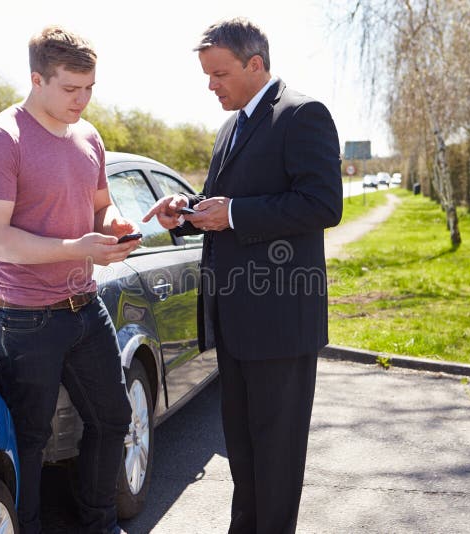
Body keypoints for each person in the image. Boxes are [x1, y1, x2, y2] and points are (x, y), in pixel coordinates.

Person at [142, 17, 343, 534]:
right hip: (233, 324)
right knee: (246, 456)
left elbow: (322, 203)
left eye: (219, 74)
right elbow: (222, 203)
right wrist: (183, 210)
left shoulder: (303, 114)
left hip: (279, 325)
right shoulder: (230, 126)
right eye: (208, 75)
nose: (211, 85)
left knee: (276, 461)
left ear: (256, 65)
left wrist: (233, 215)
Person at [0, 25, 138, 534]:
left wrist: (114, 230)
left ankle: (98, 524)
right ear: (37, 78)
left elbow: (101, 211)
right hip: (23, 317)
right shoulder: (0, 140)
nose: (81, 101)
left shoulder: (89, 136)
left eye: (89, 89)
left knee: (113, 419)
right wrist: (78, 248)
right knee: (29, 441)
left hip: (85, 307)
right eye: (69, 89)